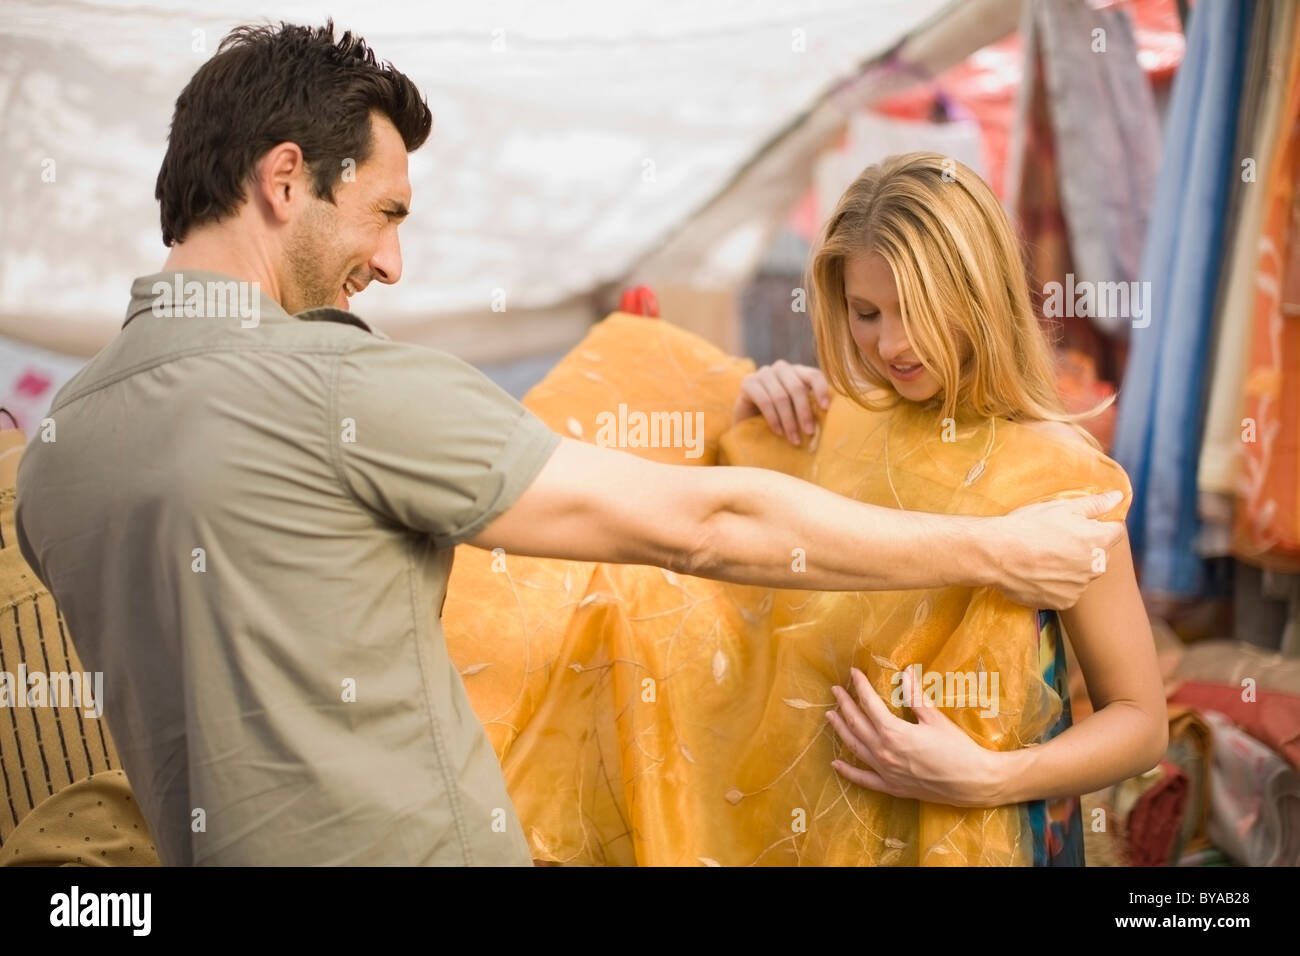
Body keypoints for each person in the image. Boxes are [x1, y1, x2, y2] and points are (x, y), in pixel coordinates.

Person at [14, 24, 1122, 867]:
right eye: (387, 213)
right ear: (286, 177)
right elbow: (707, 524)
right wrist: (991, 551)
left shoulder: (63, 448)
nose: (393, 265)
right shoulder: (345, 389)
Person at [438, 152, 1166, 866]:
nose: (892, 344)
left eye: (917, 311)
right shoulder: (834, 420)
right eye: (866, 312)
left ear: (980, 295)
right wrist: (741, 406)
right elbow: (727, 544)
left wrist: (988, 778)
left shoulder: (1061, 476)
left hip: (975, 830)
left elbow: (1140, 722)